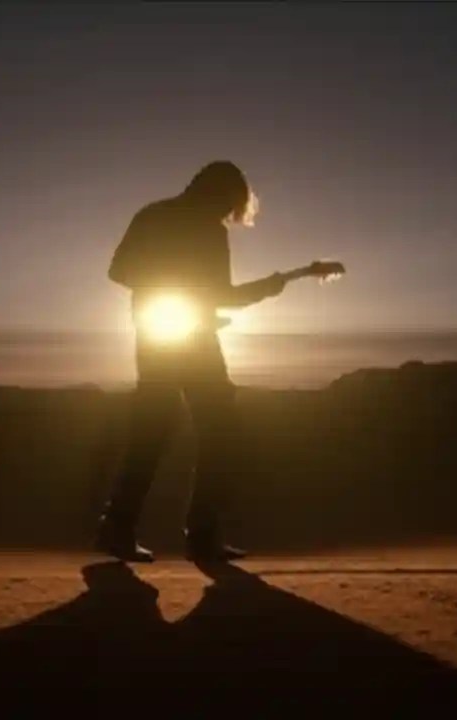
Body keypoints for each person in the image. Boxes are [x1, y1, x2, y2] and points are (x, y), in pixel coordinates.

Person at [95, 161, 304, 563]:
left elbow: (216, 294)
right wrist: (180, 288)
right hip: (171, 335)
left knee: (171, 431)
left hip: (178, 335)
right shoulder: (178, 222)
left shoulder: (174, 220)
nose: (228, 213)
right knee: (194, 431)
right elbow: (120, 270)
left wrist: (278, 282)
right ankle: (187, 536)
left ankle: (135, 531)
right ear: (216, 192)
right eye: (228, 203)